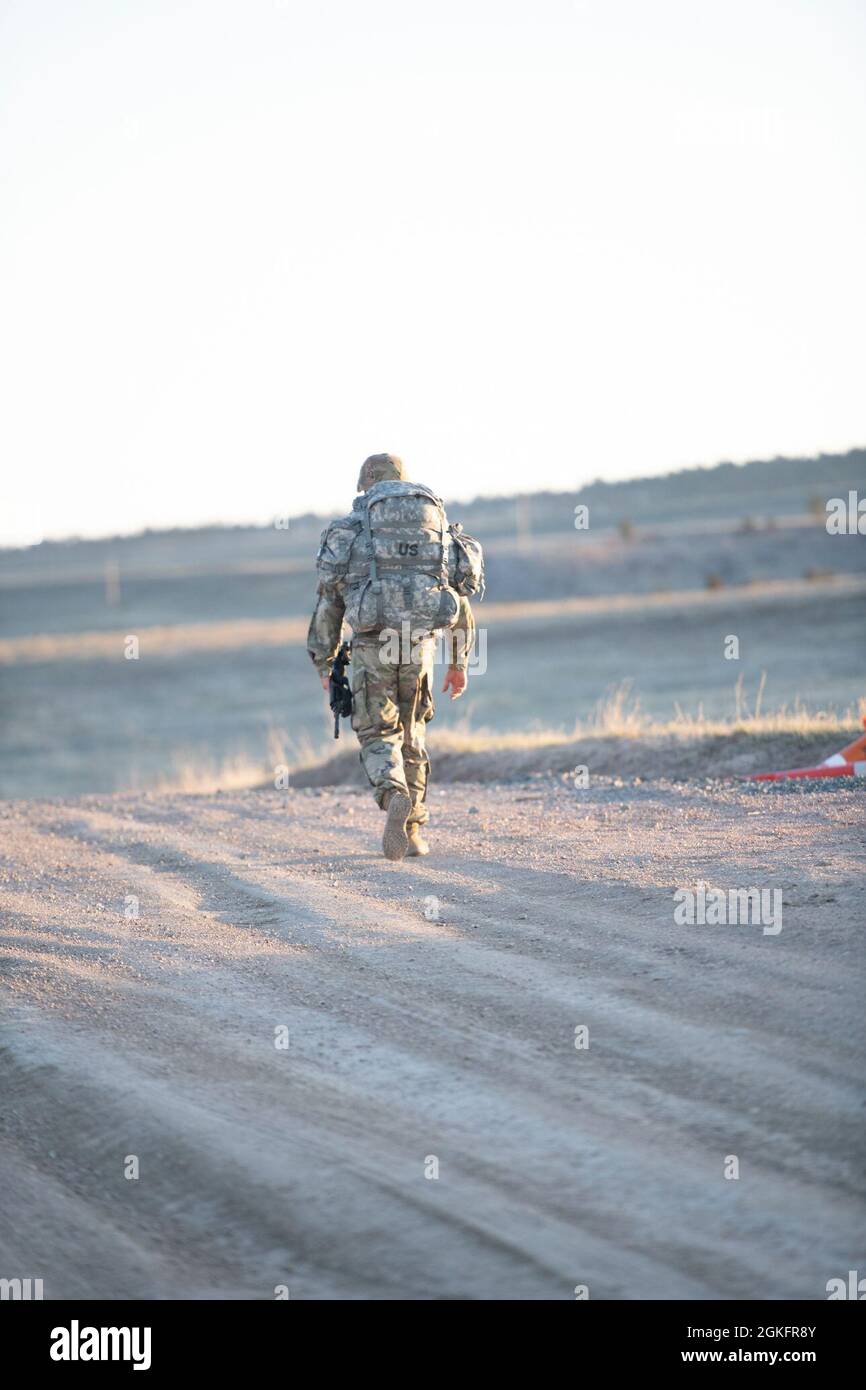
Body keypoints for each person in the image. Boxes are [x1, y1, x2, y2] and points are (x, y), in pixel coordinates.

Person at [307, 453, 481, 860]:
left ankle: (393, 794)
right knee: (412, 734)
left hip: (371, 644)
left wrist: (323, 661)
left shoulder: (352, 530)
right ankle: (415, 830)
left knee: (377, 733)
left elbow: (329, 602)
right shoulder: (432, 527)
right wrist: (459, 663)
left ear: (367, 484)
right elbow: (460, 600)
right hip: (419, 644)